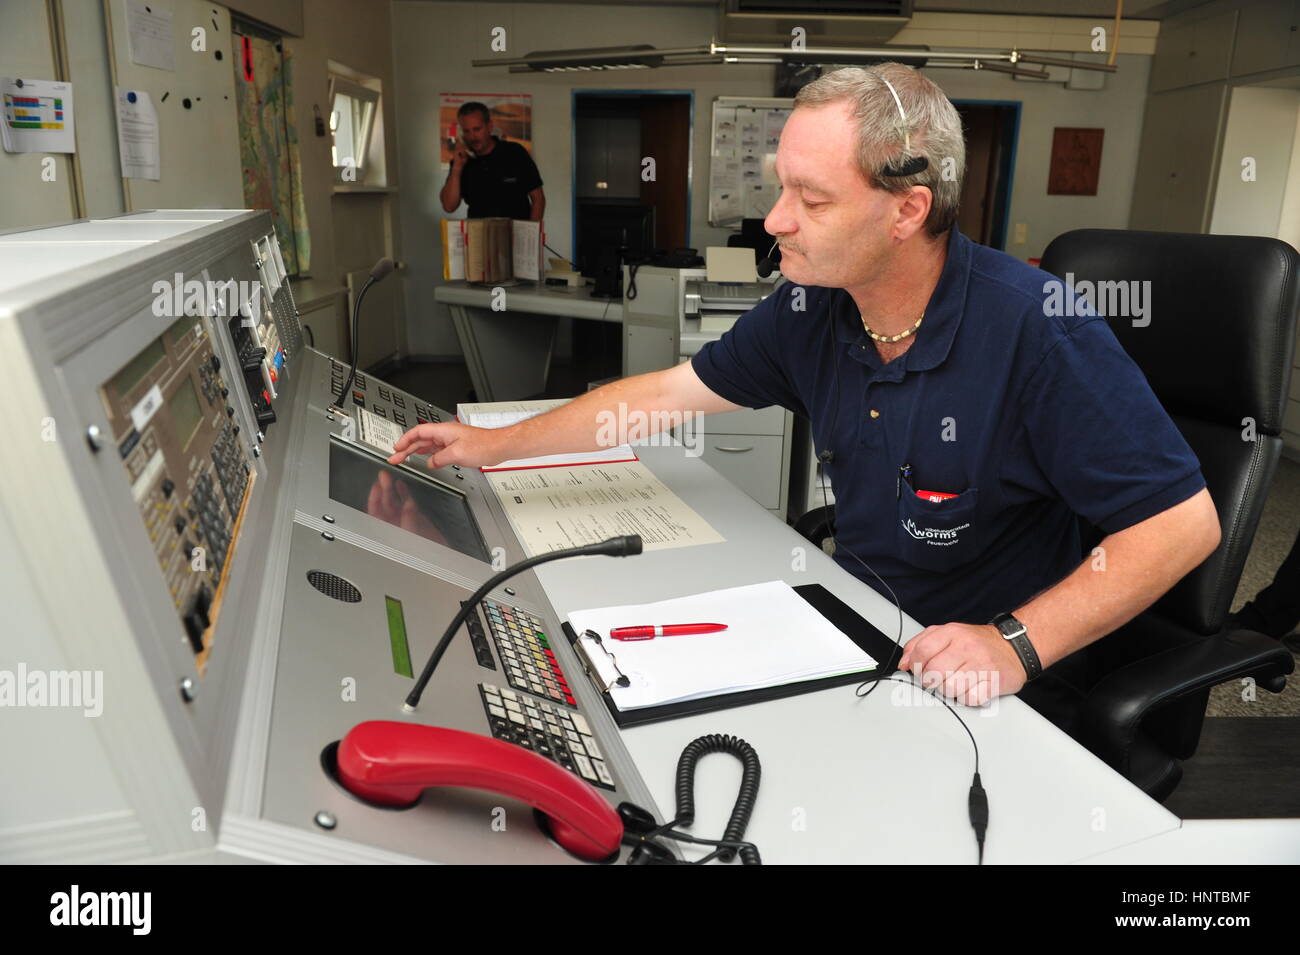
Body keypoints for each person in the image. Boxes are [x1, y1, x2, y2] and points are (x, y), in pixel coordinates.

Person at [392, 64, 1221, 719]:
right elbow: (656, 397)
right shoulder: (810, 310)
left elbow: (1181, 526)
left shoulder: (1040, 330)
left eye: (810, 198)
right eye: (779, 188)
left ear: (907, 211)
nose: (775, 220)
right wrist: (492, 446)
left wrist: (1015, 644)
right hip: (852, 626)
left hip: (979, 680)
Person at [440, 102, 544, 222]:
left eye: (477, 129)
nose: (472, 137)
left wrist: (532, 236)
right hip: (479, 236)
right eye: (467, 131)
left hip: (516, 236)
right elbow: (449, 206)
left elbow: (538, 199)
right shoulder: (461, 160)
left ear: (489, 126)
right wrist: (457, 168)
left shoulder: (514, 152)